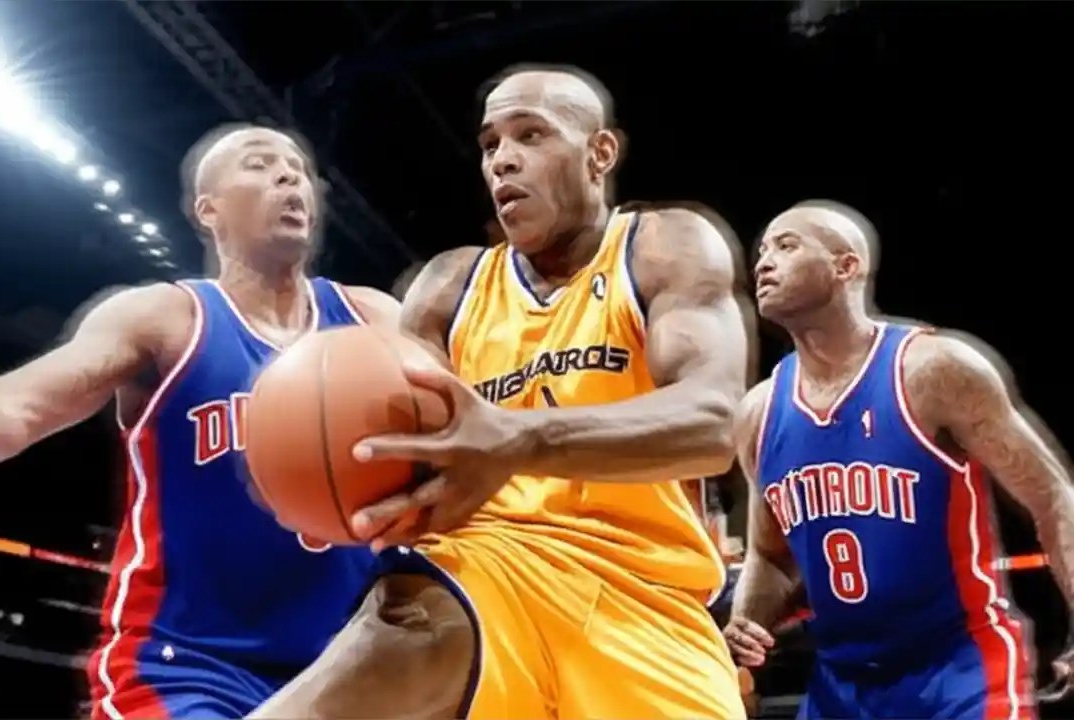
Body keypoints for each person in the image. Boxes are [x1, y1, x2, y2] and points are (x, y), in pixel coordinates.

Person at [0, 124, 401, 719]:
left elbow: (470, 459)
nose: (288, 174)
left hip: (356, 670)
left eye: (296, 167)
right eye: (259, 162)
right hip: (187, 670)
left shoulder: (376, 320)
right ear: (208, 210)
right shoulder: (165, 319)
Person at [250, 65, 751, 719]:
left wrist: (520, 439)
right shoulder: (448, 286)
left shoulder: (663, 246)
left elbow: (712, 422)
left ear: (599, 154)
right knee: (401, 627)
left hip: (648, 600)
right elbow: (408, 454)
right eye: (490, 145)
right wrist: (329, 479)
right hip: (491, 570)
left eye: (530, 135)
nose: (503, 162)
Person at [723, 200, 1074, 719]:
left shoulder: (932, 370)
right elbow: (771, 556)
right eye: (762, 250)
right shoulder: (759, 412)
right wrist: (746, 624)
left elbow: (1051, 496)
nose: (763, 262)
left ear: (847, 267)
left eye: (786, 245)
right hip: (840, 686)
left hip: (959, 672)